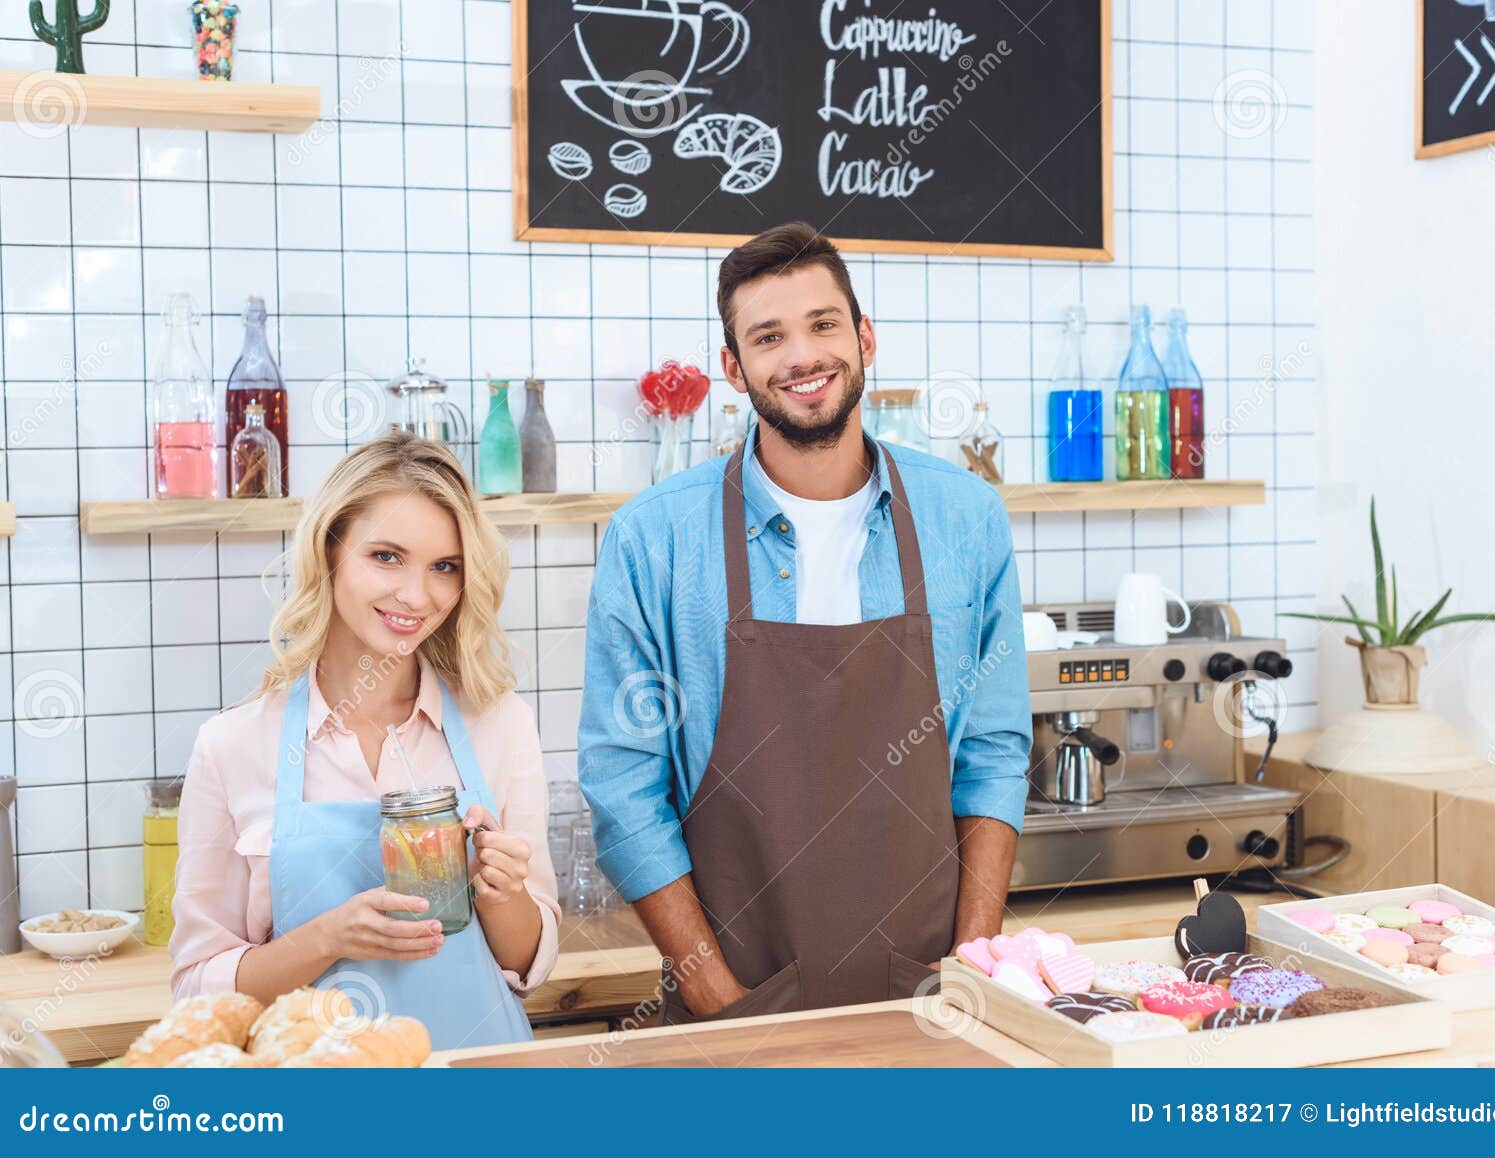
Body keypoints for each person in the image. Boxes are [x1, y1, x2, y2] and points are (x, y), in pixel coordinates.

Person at [579, 222, 1030, 1022]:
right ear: (734, 367)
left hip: (935, 996)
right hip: (732, 1005)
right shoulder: (653, 539)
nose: (803, 356)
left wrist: (972, 962)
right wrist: (716, 995)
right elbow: (623, 789)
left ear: (864, 337)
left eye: (823, 324)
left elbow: (993, 754)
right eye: (768, 336)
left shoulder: (968, 518)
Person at [170, 431, 558, 1050]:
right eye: (386, 556)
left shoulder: (501, 723)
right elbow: (198, 990)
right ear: (330, 550)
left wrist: (501, 891)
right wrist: (329, 939)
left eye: (444, 567)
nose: (415, 595)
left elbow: (529, 963)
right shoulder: (233, 744)